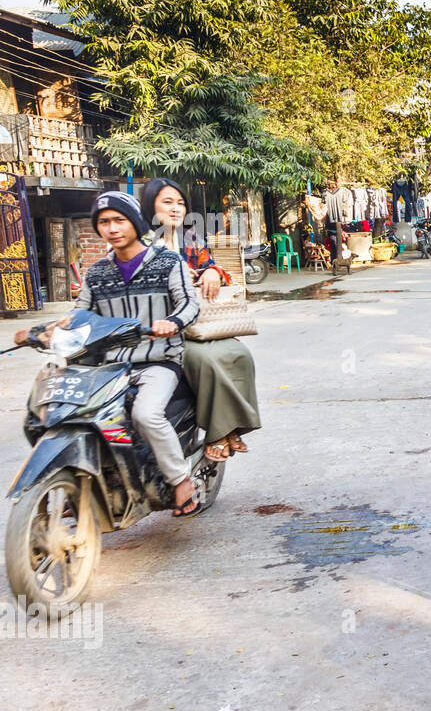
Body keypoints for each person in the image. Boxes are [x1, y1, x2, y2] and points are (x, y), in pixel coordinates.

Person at [15, 191, 201, 515]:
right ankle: (80, 480)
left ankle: (180, 480)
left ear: (136, 223)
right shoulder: (96, 273)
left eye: (119, 220)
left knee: (145, 414)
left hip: (158, 361)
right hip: (109, 367)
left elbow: (189, 304)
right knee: (68, 414)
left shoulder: (168, 262)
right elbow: (77, 315)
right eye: (104, 222)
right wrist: (39, 331)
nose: (112, 228)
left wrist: (171, 322)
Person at [140, 178, 261, 465]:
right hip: (161, 329)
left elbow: (215, 267)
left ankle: (233, 428)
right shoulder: (141, 241)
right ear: (150, 206)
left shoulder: (190, 237)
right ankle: (219, 434)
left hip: (199, 324)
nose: (175, 209)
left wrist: (213, 272)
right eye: (167, 202)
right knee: (205, 361)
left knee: (238, 353)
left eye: (180, 203)